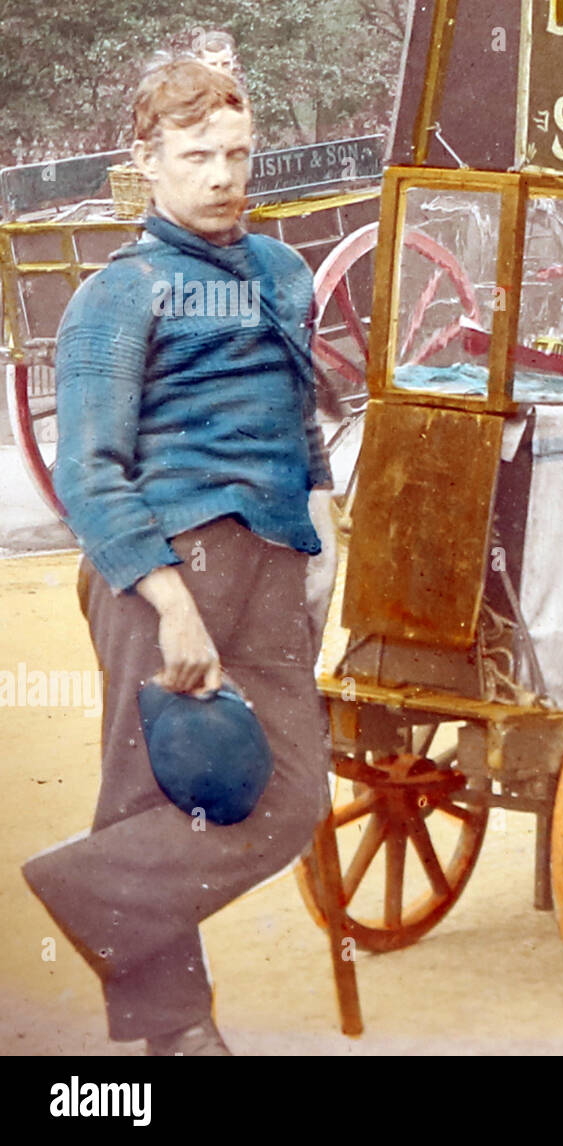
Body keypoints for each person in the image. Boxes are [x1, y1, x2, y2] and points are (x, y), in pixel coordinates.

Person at [21, 58, 337, 1054]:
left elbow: (301, 422)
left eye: (237, 154)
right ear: (146, 164)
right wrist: (169, 601)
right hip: (163, 568)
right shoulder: (119, 295)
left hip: (275, 561)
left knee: (292, 799)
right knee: (149, 792)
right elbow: (91, 472)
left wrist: (324, 534)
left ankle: (82, 887)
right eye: (196, 156)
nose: (221, 176)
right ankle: (176, 1036)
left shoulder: (283, 273)